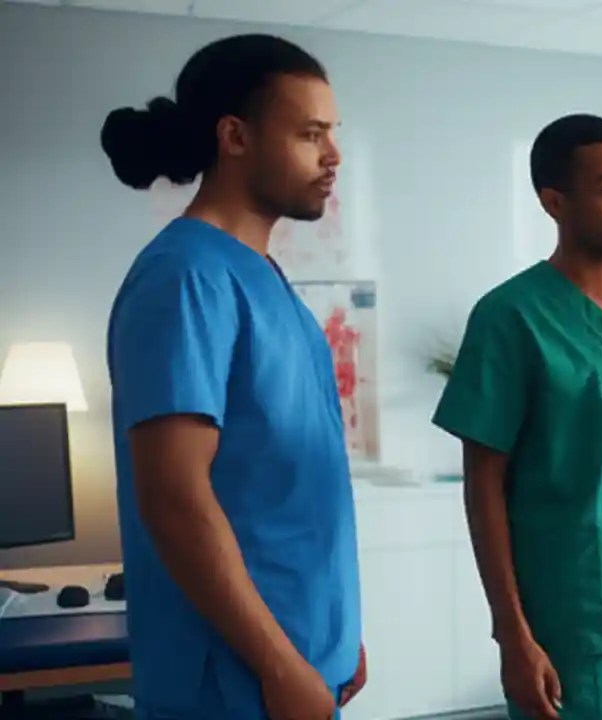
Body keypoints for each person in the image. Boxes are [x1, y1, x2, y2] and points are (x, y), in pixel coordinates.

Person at [102, 34, 365, 719]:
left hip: (300, 657)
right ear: (235, 137)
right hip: (235, 680)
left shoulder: (265, 281)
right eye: (311, 133)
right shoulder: (186, 277)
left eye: (332, 133)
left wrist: (336, 633)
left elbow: (283, 488)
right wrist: (280, 662)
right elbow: (175, 497)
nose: (333, 155)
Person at [432, 113, 602, 720]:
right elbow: (483, 484)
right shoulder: (509, 317)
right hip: (573, 622)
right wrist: (512, 635)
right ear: (554, 202)